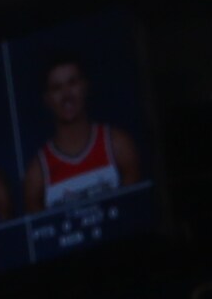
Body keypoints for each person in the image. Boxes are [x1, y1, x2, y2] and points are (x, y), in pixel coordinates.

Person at [20, 55, 145, 210]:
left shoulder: (117, 145)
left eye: (72, 83)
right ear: (47, 99)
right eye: (57, 88)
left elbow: (134, 212)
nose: (66, 95)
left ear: (85, 86)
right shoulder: (38, 172)